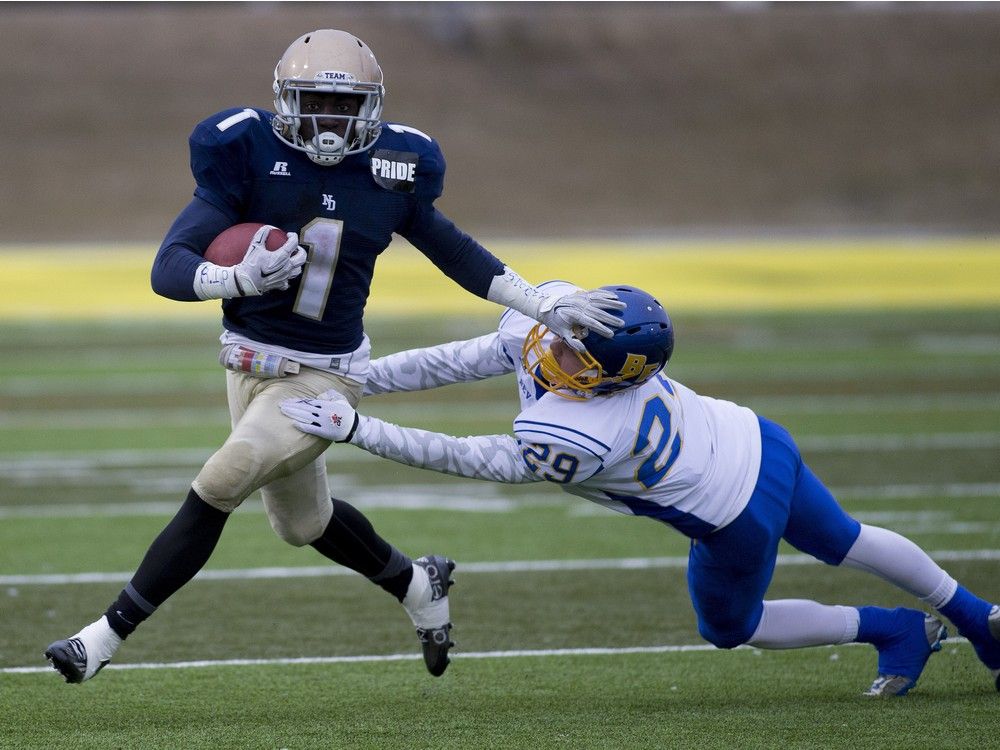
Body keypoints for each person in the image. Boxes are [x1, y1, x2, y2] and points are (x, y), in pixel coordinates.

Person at [44, 30, 625, 684]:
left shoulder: (393, 166)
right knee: (302, 524)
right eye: (316, 101)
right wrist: (234, 280)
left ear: (370, 109)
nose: (330, 119)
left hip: (323, 376)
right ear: (286, 101)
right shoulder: (244, 149)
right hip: (246, 362)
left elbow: (456, 252)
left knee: (222, 481)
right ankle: (417, 584)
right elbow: (168, 266)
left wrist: (539, 305)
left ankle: (100, 640)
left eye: (345, 106)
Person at [281, 281, 1000, 697]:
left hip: (732, 510)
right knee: (845, 539)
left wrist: (357, 429)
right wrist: (359, 381)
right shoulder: (563, 316)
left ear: (615, 374)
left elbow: (473, 457)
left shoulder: (585, 431)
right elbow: (461, 358)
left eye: (576, 351)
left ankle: (895, 628)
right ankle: (976, 615)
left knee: (729, 628)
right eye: (565, 333)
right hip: (758, 440)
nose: (555, 346)